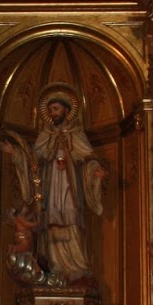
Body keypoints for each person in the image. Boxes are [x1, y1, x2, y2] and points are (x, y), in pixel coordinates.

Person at [32, 92, 105, 283]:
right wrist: (48, 152)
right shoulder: (46, 134)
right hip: (51, 185)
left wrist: (95, 170)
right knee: (52, 223)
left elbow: (89, 156)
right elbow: (36, 157)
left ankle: (77, 266)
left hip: (71, 185)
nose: (53, 114)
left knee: (71, 220)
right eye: (50, 111)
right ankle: (55, 268)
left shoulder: (76, 133)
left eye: (56, 109)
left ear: (66, 109)